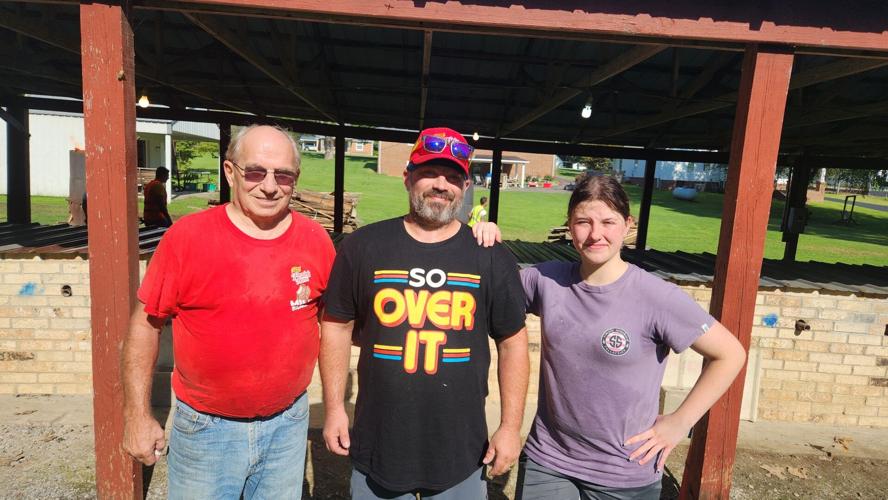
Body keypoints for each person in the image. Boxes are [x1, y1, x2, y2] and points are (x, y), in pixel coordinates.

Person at [121, 125, 336, 499]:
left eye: (282, 175)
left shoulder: (315, 240)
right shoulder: (187, 238)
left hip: (287, 425)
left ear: (295, 180)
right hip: (207, 431)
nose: (269, 186)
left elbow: (335, 323)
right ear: (229, 171)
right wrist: (136, 414)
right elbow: (145, 323)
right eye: (255, 171)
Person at [320, 127, 529, 499]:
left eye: (452, 177)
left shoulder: (489, 255)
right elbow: (337, 326)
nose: (440, 184)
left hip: (460, 450)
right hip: (379, 444)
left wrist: (510, 427)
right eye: (429, 173)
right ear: (407, 178)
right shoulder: (363, 246)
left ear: (465, 187)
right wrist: (335, 407)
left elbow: (513, 343)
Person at [515, 174, 746, 499]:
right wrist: (484, 239)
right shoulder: (545, 280)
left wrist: (681, 421)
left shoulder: (657, 297)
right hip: (549, 460)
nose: (596, 234)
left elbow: (730, 354)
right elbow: (486, 290)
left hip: (625, 472)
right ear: (569, 225)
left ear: (627, 225)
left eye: (608, 222)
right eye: (583, 222)